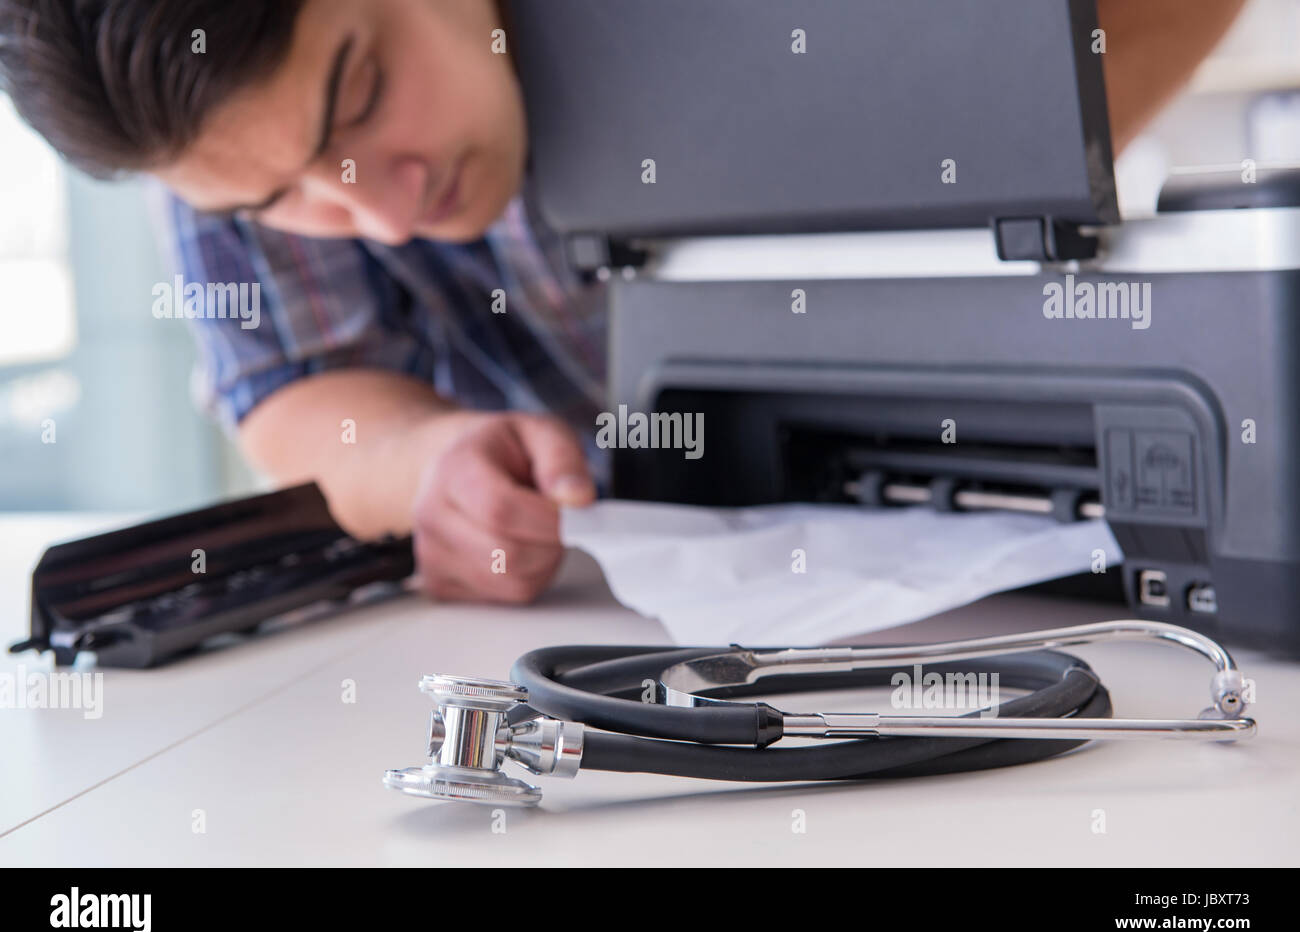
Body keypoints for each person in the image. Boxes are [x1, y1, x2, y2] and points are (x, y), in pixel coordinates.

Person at [0, 0, 1247, 602]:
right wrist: (430, 458)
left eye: (364, 93)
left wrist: (981, 140)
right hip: (658, 604)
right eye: (283, 195)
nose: (377, 213)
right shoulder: (213, 127)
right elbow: (291, 391)